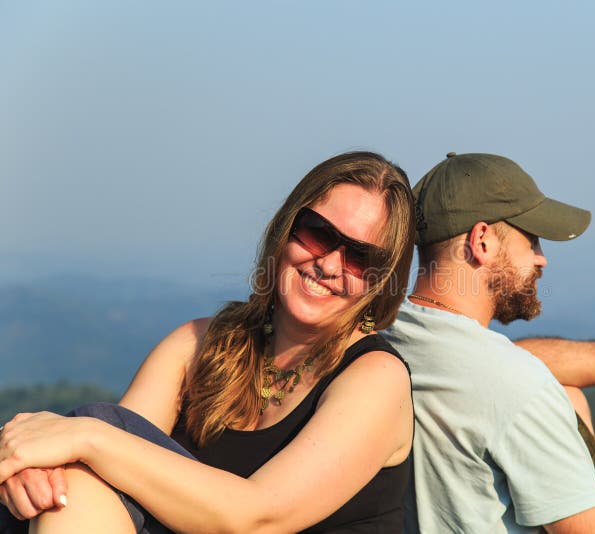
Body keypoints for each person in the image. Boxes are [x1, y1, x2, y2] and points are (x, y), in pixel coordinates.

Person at [0, 151, 417, 533]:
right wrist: (34, 471)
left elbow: (258, 517)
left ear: (382, 283)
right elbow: (107, 473)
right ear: (286, 228)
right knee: (75, 481)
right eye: (318, 233)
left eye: (360, 258)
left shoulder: (376, 379)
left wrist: (83, 435)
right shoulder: (196, 345)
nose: (328, 264)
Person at [381, 152, 595, 532]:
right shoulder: (513, 386)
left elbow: (514, 362)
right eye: (531, 240)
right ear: (482, 240)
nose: (541, 259)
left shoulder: (384, 337)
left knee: (570, 395)